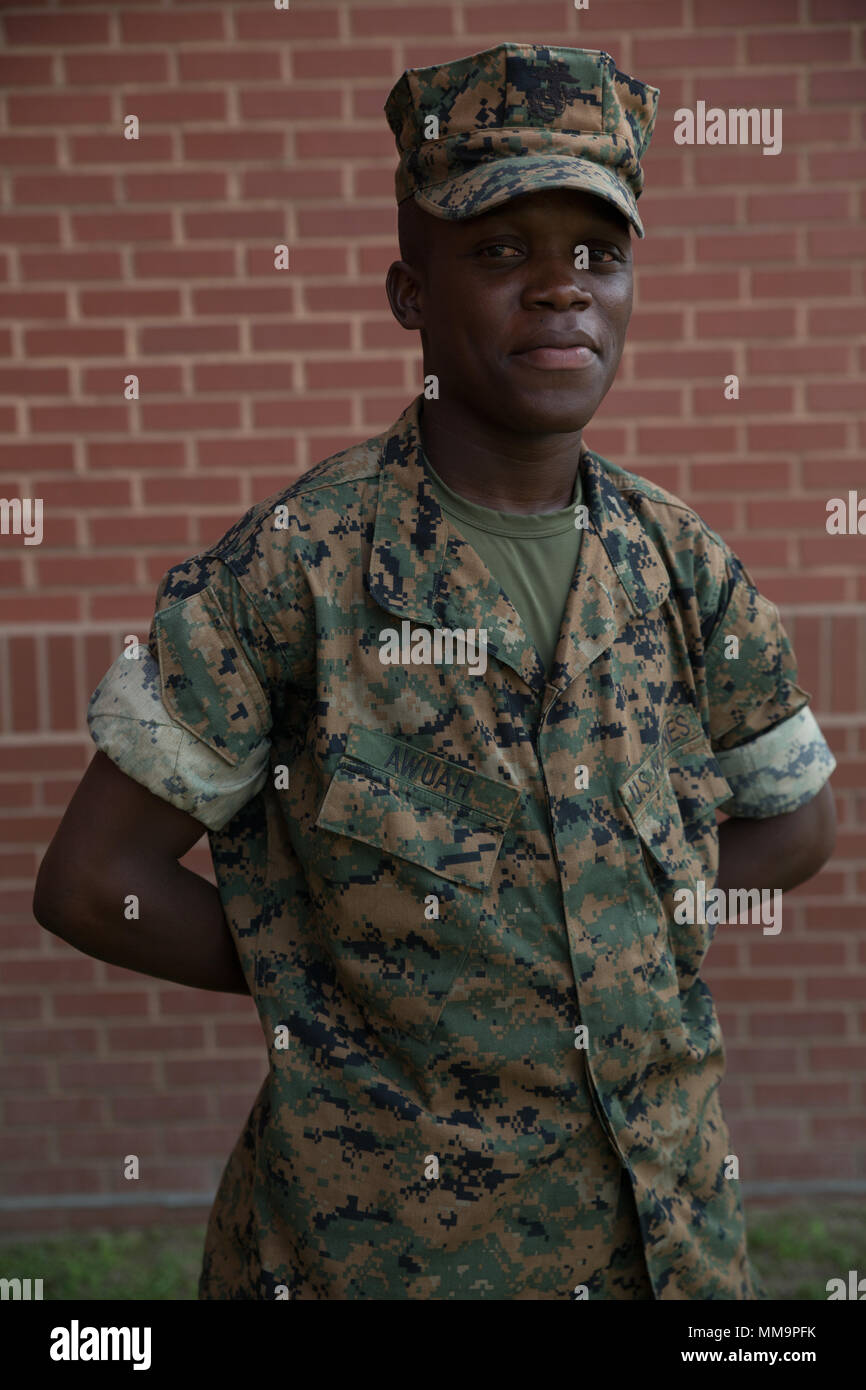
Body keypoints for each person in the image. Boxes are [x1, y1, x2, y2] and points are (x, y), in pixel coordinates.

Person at [33, 43, 836, 1300]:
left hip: (670, 1241)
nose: (558, 292)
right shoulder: (292, 573)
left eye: (596, 255)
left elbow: (795, 822)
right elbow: (92, 883)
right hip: (390, 1255)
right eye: (501, 252)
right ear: (409, 291)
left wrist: (623, 922)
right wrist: (336, 978)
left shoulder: (684, 566)